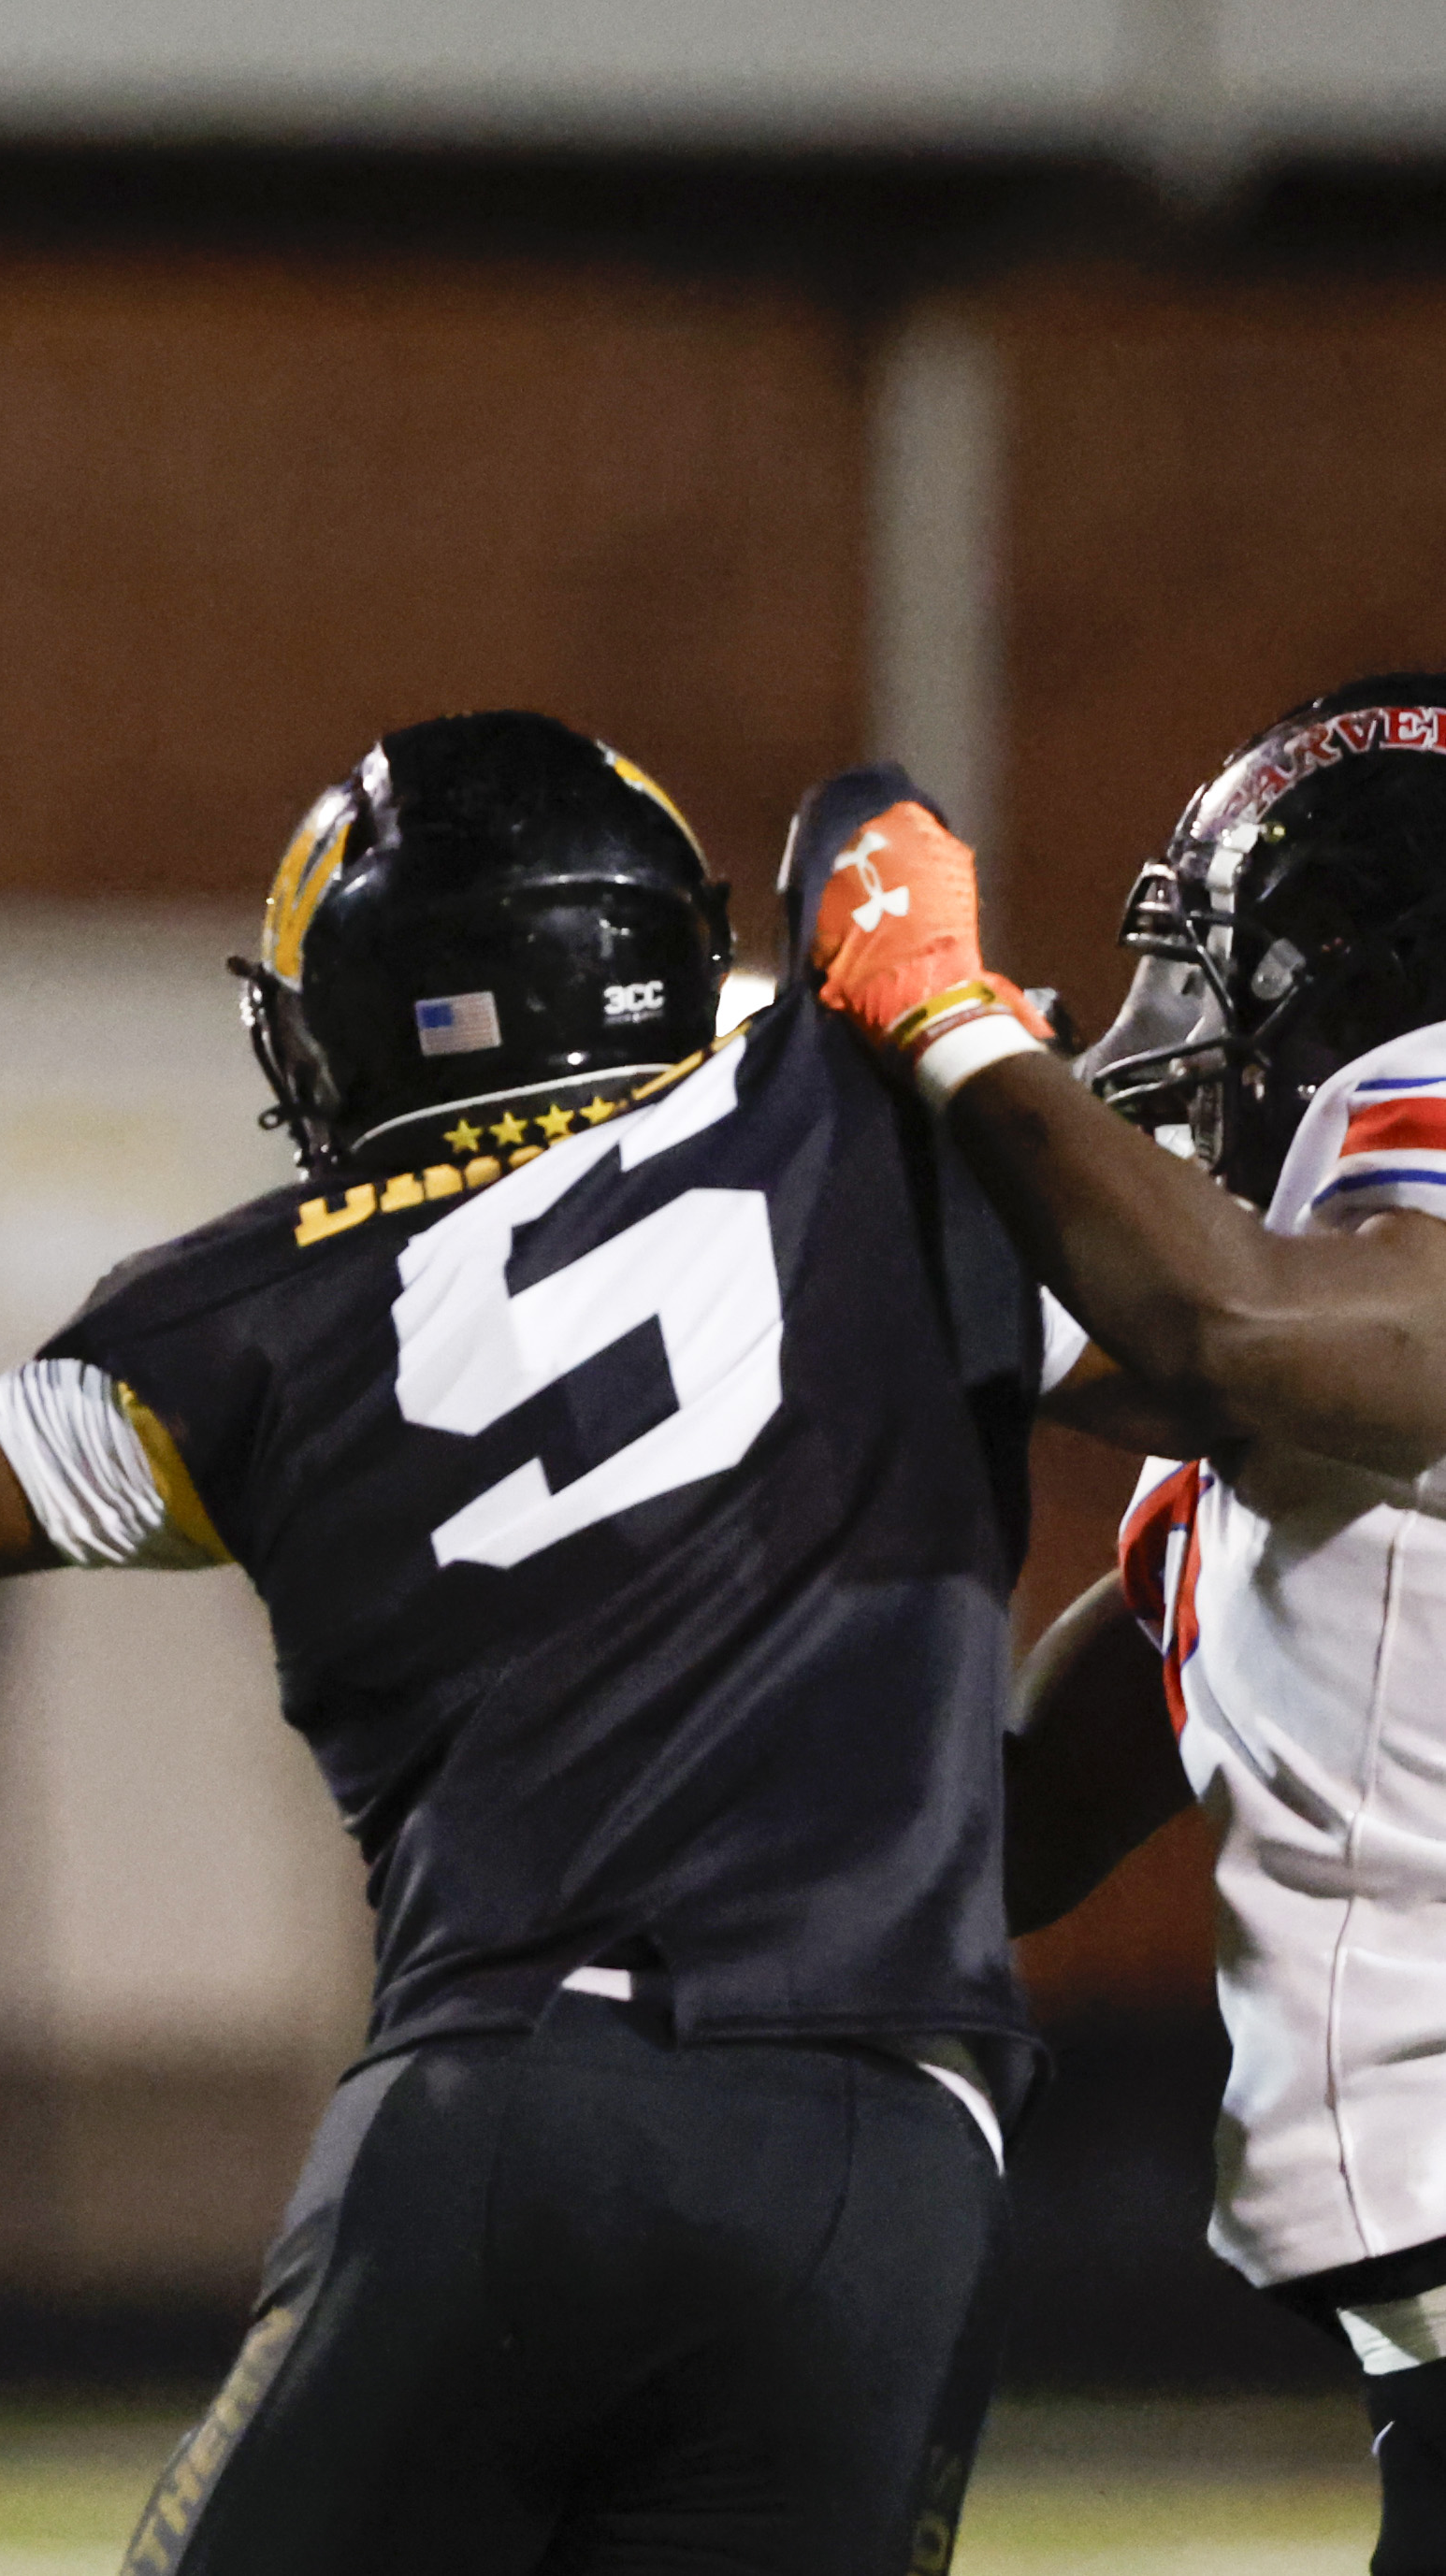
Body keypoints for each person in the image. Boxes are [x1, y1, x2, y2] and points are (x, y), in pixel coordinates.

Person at [0, 712, 1059, 2575]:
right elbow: (1233, 1343)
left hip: (514, 2103)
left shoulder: (250, 1313)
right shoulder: (877, 1138)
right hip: (902, 2141)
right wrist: (945, 984)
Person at [819, 678, 1446, 2576]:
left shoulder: (1328, 1294)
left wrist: (943, 1026)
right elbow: (992, 1841)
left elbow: (1226, 1323)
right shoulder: (1252, 1475)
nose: (1173, 1036)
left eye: (1212, 961)